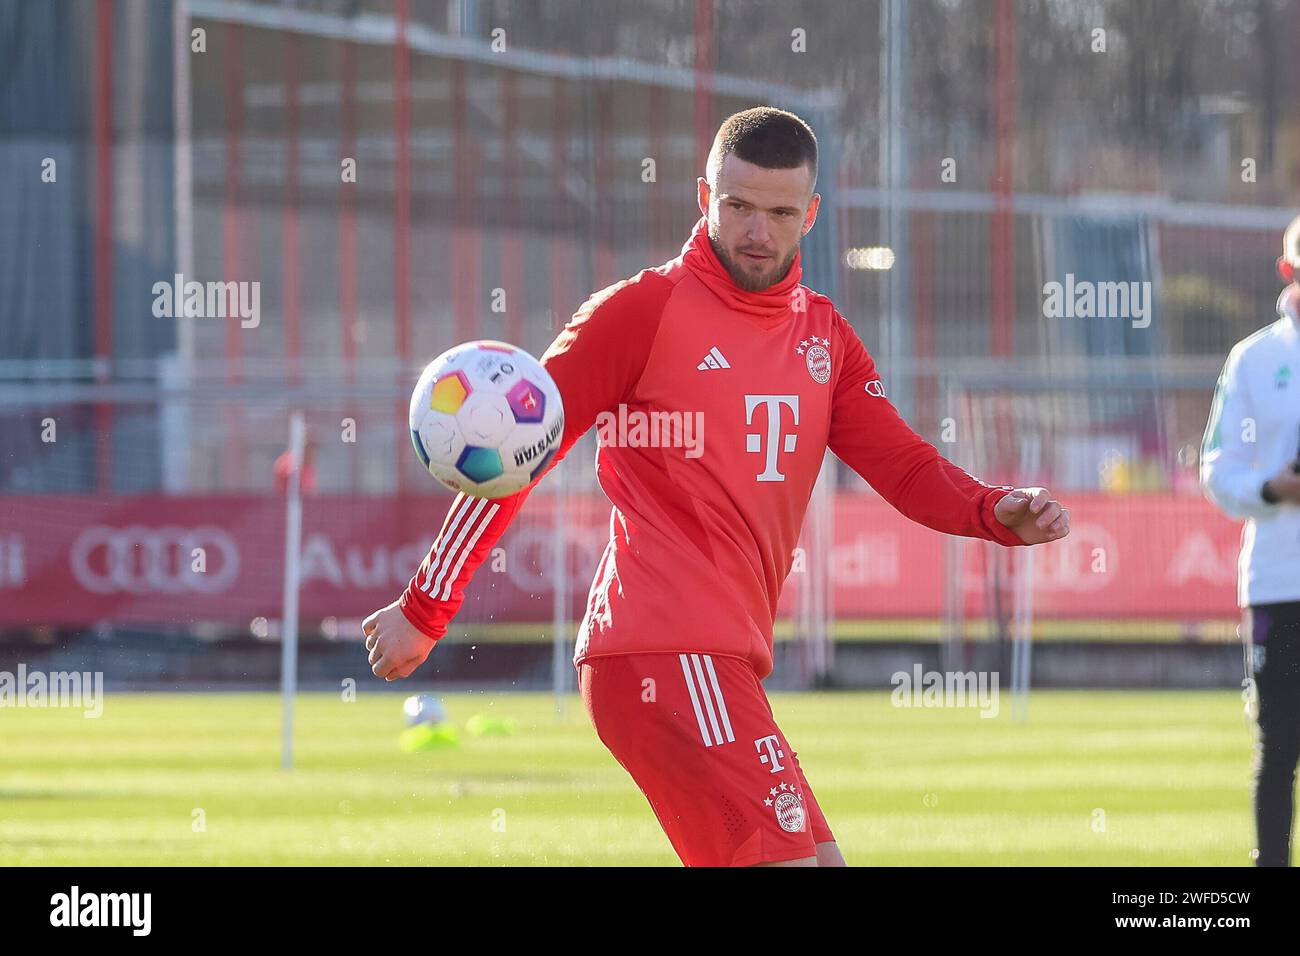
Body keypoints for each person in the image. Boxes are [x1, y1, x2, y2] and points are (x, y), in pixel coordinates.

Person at [364, 107, 1069, 866]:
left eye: (779, 214)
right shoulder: (640, 312)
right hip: (662, 649)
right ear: (704, 197)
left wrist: (990, 510)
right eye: (737, 206)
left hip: (720, 659)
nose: (757, 231)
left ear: (810, 216)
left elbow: (903, 465)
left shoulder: (824, 336)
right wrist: (425, 608)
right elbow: (511, 458)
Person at [1201, 212, 1300, 867]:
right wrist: (1272, 489)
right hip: (1279, 582)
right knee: (1280, 743)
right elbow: (1218, 468)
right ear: (1289, 270)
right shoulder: (1256, 359)